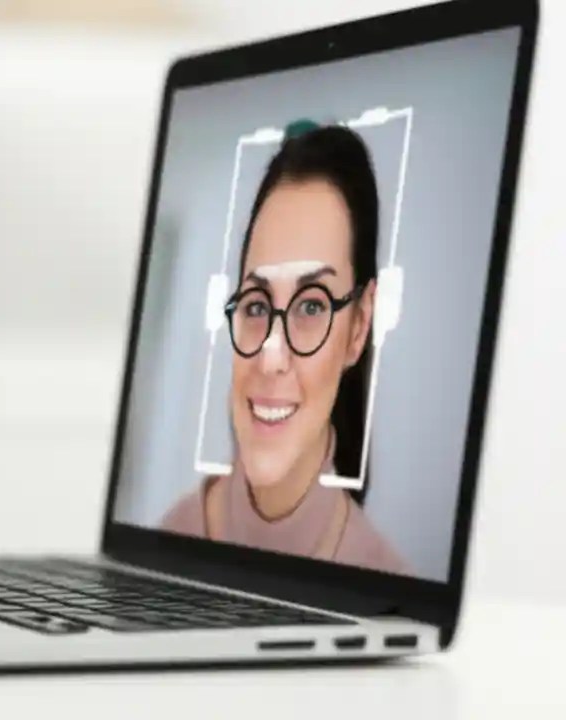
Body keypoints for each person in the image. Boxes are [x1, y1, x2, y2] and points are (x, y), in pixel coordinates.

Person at [161, 124, 407, 575]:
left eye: (311, 304)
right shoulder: (168, 538)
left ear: (359, 327)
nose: (271, 357)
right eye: (256, 304)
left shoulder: (387, 585)